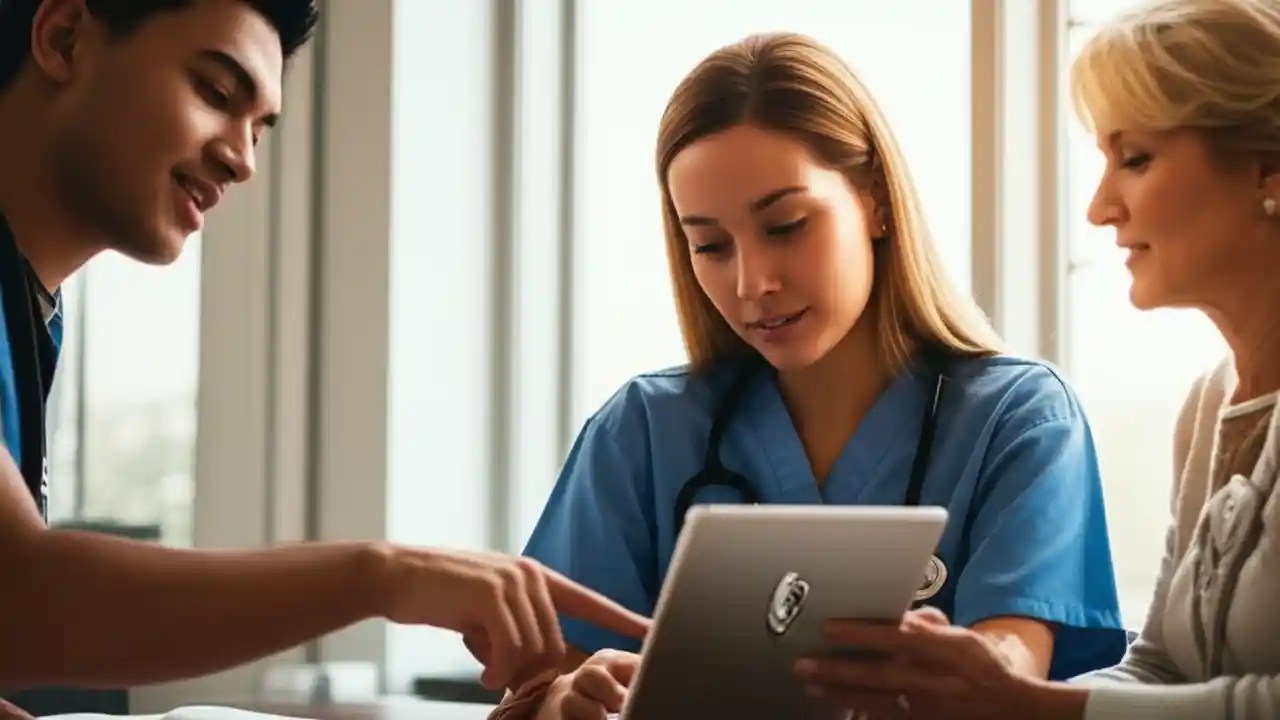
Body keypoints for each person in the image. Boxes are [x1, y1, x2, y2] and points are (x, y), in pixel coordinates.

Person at [0, 0, 648, 713]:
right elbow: (16, 598)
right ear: (65, 38)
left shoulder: (28, 317)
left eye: (258, 130)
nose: (242, 160)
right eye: (215, 92)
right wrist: (382, 576)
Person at [488, 31, 1130, 720]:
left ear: (876, 200)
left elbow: (1008, 676)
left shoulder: (1018, 420)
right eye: (710, 245)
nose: (752, 283)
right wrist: (565, 701)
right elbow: (537, 689)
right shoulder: (641, 432)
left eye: (786, 225)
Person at [790, 1, 1280, 718]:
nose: (1099, 207)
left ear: (1268, 169)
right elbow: (1164, 667)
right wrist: (960, 696)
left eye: (1135, 160)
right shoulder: (1210, 406)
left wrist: (1025, 705)